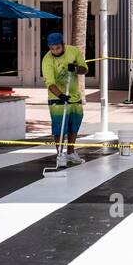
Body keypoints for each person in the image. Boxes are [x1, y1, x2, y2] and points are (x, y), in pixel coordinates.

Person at [41, 31, 88, 167]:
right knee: (59, 127)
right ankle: (60, 155)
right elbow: (50, 83)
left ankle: (71, 153)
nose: (55, 51)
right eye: (52, 49)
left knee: (73, 126)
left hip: (74, 97)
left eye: (58, 48)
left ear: (63, 44)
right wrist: (61, 96)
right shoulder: (47, 60)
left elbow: (84, 70)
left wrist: (75, 68)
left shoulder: (73, 51)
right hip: (57, 99)